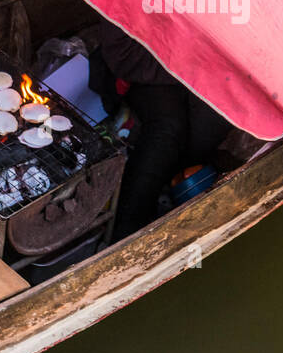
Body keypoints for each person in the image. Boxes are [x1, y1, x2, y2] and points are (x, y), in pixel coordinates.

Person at [97, 22, 232, 240]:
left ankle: (171, 187)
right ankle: (124, 234)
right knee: (167, 130)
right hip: (148, 63)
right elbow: (123, 57)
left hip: (202, 66)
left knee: (211, 123)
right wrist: (188, 69)